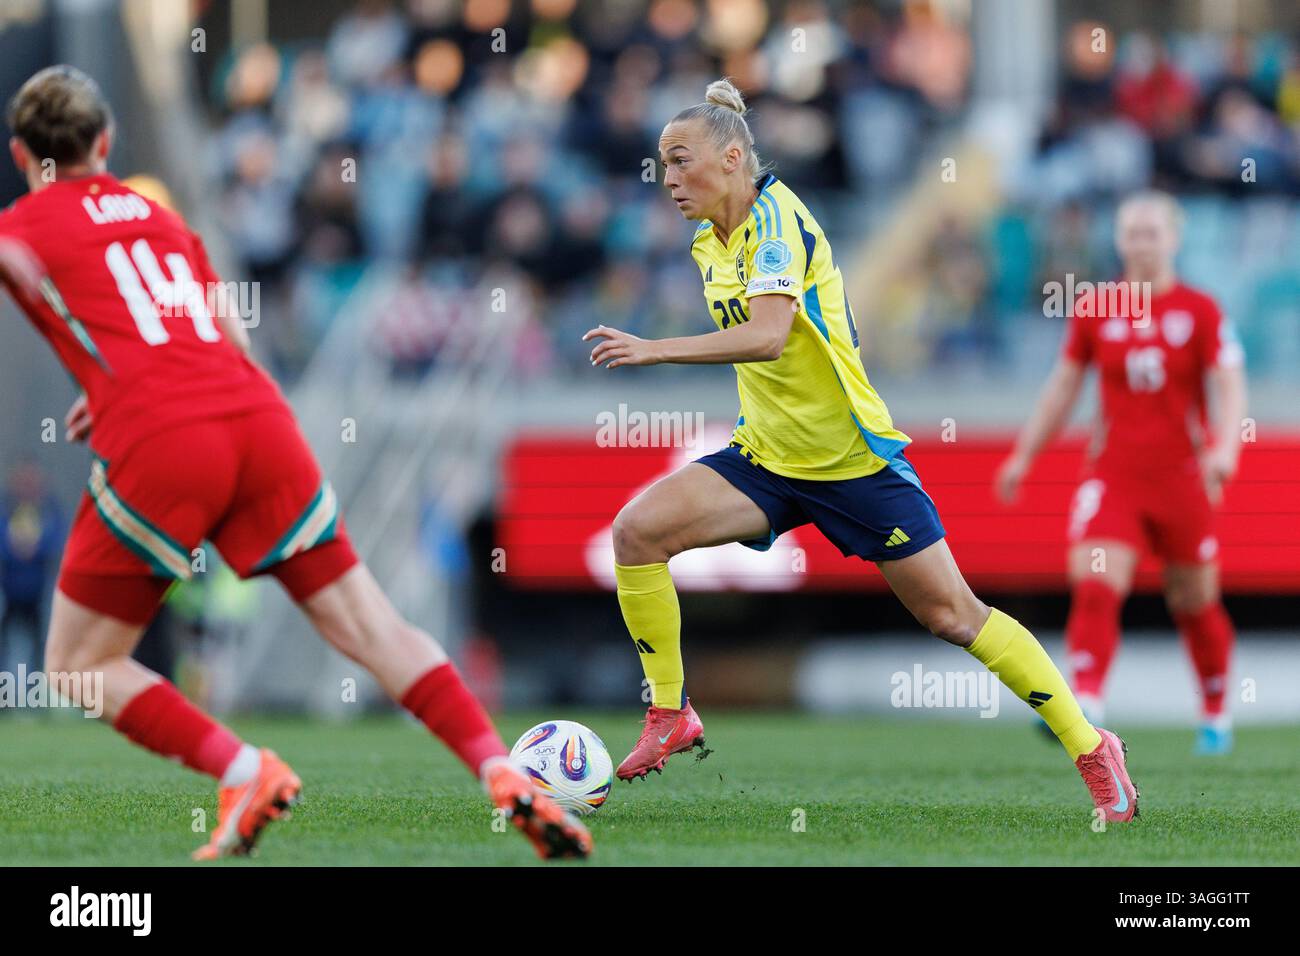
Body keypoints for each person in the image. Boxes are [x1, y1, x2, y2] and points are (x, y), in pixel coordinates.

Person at [0, 65, 590, 860]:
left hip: (166, 437)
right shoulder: (163, 219)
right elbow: (226, 341)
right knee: (375, 627)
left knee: (77, 664)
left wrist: (120, 386)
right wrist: (117, 379)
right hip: (257, 419)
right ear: (104, 142)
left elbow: (25, 267)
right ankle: (500, 768)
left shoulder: (25, 223)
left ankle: (243, 769)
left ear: (18, 153)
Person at [583, 78, 1139, 822]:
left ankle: (1091, 747)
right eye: (662, 164)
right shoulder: (706, 240)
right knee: (636, 533)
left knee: (953, 616)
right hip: (769, 460)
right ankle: (670, 713)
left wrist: (657, 351)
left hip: (853, 463)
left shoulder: (777, 224)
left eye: (680, 161)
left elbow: (769, 336)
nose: (668, 179)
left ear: (732, 156)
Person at [997, 191, 1246, 755]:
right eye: (1132, 232)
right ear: (1119, 240)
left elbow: (1228, 383)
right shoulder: (1095, 307)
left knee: (1194, 601)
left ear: (1174, 240)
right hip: (1114, 476)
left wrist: (1226, 447)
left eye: (1152, 232)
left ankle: (1215, 709)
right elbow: (1064, 386)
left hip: (1182, 479)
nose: (1142, 242)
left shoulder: (1201, 310)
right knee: (1095, 579)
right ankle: (1086, 700)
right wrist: (1025, 455)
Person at [0, 462, 63, 677]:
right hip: (9, 592)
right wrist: (14, 549)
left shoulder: (48, 509)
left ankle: (36, 696)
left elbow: (58, 541)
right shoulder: (6, 507)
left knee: (41, 648)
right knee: (5, 645)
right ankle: (5, 699)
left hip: (38, 593)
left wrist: (35, 548)